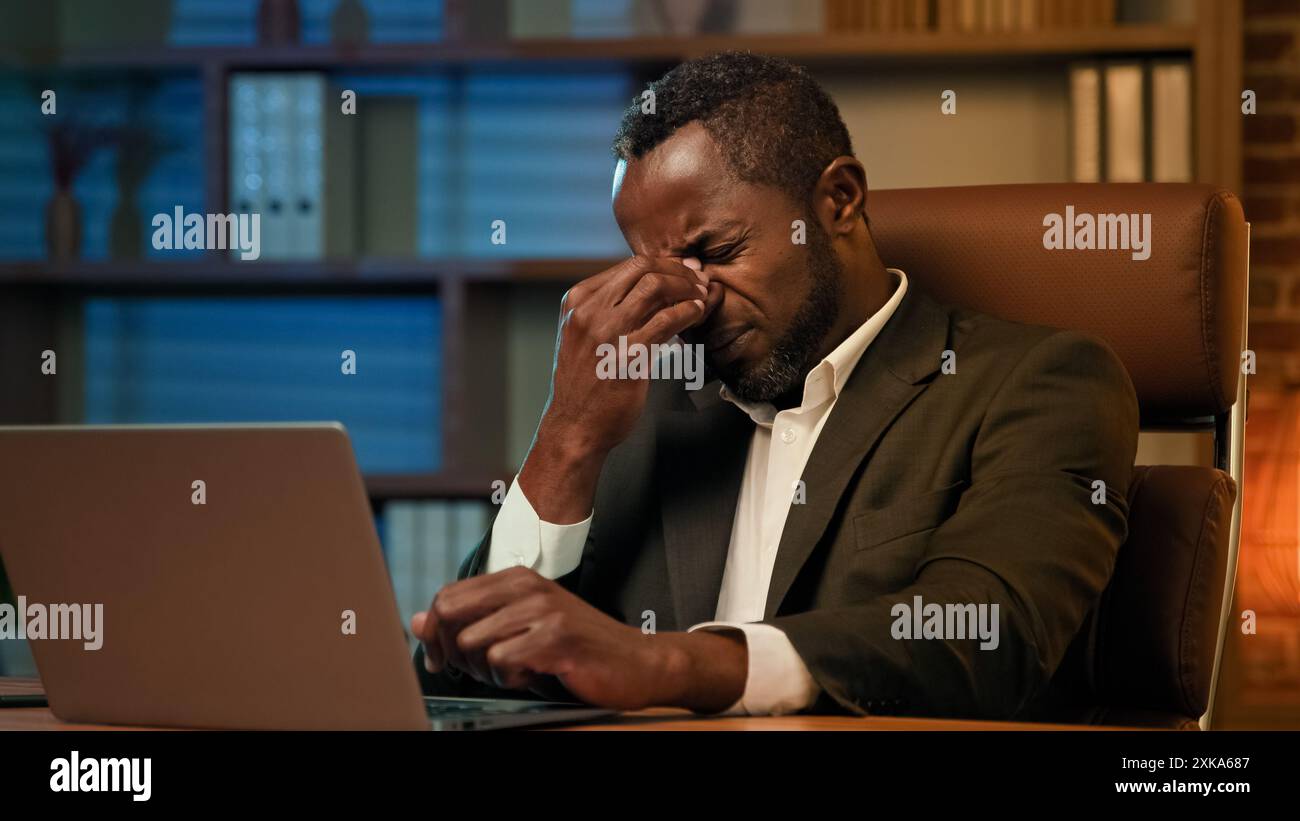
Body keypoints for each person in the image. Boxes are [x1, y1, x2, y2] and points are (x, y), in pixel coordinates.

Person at [411, 51, 1138, 719]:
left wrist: (670, 661)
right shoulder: (646, 408)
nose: (686, 302)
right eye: (650, 266)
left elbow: (988, 630)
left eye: (717, 251)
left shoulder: (1037, 384)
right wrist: (567, 438)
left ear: (840, 199)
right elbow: (458, 694)